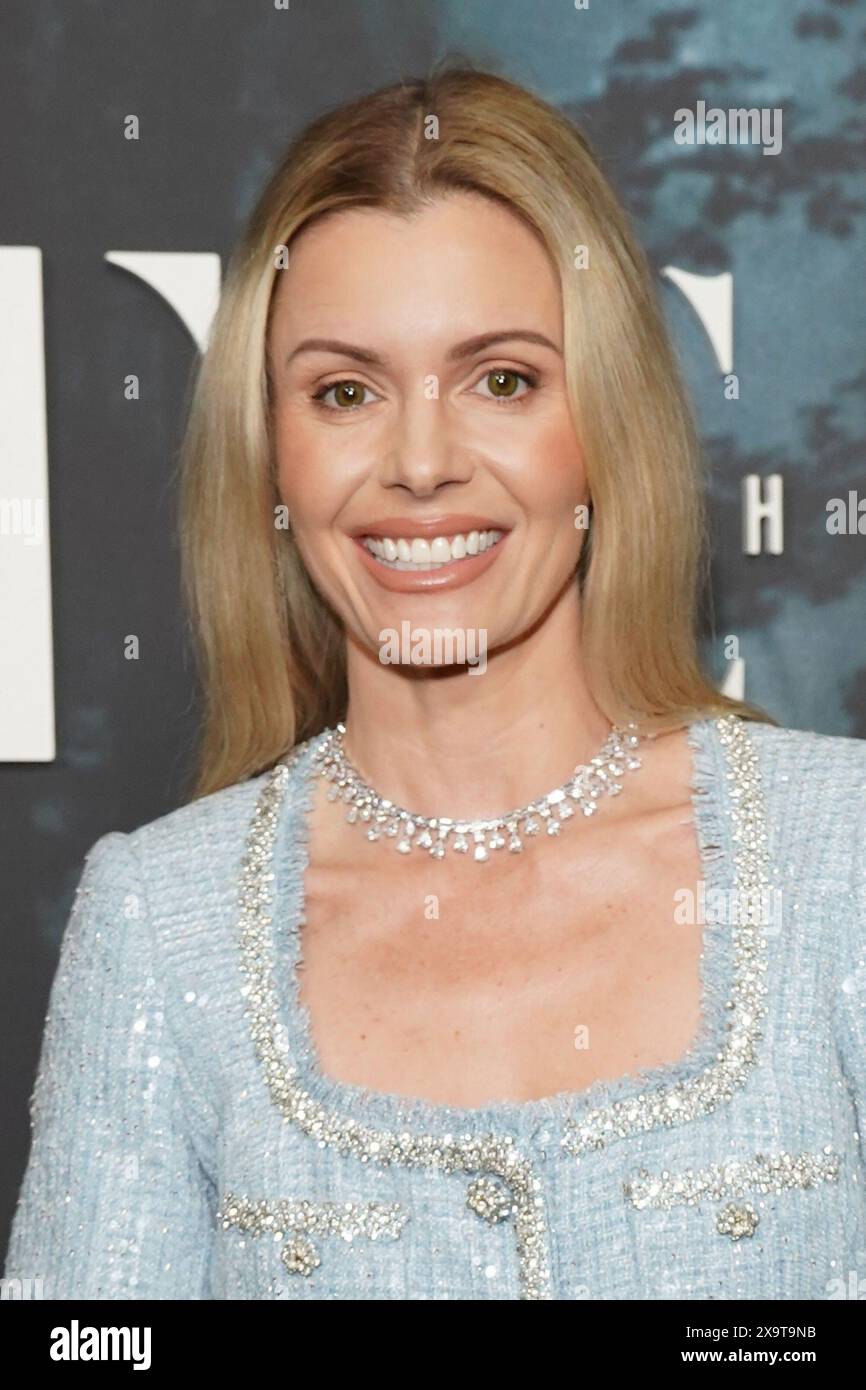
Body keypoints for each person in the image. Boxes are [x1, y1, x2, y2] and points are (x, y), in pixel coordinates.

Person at [5, 64, 866, 1301]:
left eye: (500, 379)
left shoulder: (837, 857)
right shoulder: (158, 925)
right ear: (271, 450)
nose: (419, 462)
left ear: (605, 419)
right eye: (344, 391)